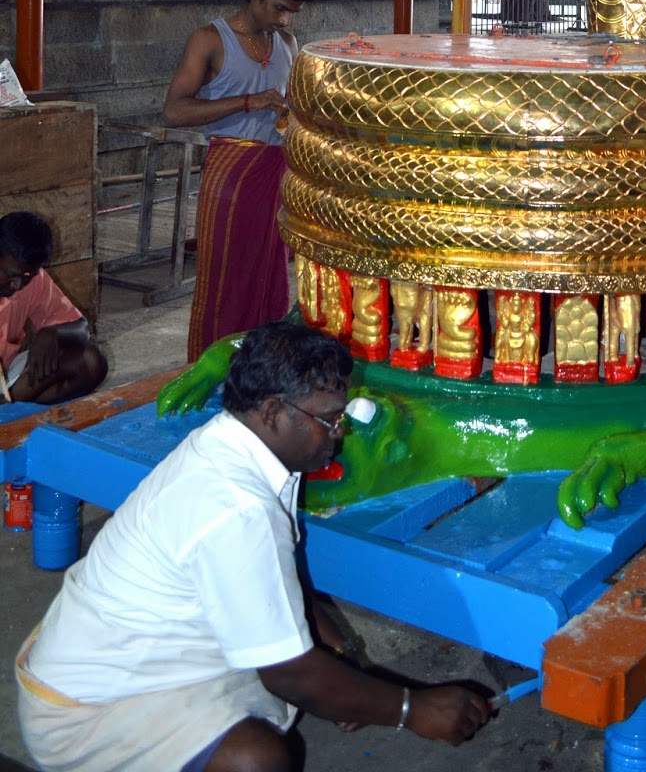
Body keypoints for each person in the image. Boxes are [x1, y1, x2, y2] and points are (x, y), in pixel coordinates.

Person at [16, 319, 492, 771]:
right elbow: (289, 673)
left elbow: (272, 574)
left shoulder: (232, 446)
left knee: (323, 680)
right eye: (329, 420)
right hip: (82, 714)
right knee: (254, 758)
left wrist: (337, 654)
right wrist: (412, 708)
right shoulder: (235, 506)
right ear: (271, 412)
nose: (340, 433)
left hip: (117, 660)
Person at [163, 0, 319, 358]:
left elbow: (292, 104)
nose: (285, 20)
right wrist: (247, 102)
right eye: (280, 8)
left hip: (277, 173)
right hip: (232, 176)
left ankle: (263, 367)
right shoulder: (210, 40)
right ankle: (213, 368)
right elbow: (175, 109)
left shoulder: (286, 41)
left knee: (270, 276)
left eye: (292, 13)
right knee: (225, 280)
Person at [0, 211, 106, 405]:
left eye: (26, 277)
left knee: (91, 360)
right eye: (10, 275)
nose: (17, 286)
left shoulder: (32, 280)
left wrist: (52, 333)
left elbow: (80, 328)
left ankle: (9, 411)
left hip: (6, 374)